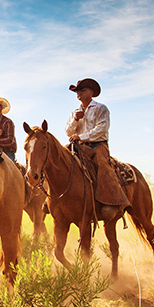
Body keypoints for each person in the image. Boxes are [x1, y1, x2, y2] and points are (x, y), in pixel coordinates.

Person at [64, 77, 128, 218]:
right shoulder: (75, 112)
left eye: (82, 90)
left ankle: (112, 201)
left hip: (98, 145)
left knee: (102, 165)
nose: (78, 93)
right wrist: (75, 120)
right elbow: (68, 132)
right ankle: (53, 200)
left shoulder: (101, 108)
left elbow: (102, 128)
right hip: (79, 146)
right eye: (77, 91)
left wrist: (82, 136)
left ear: (91, 92)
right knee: (61, 158)